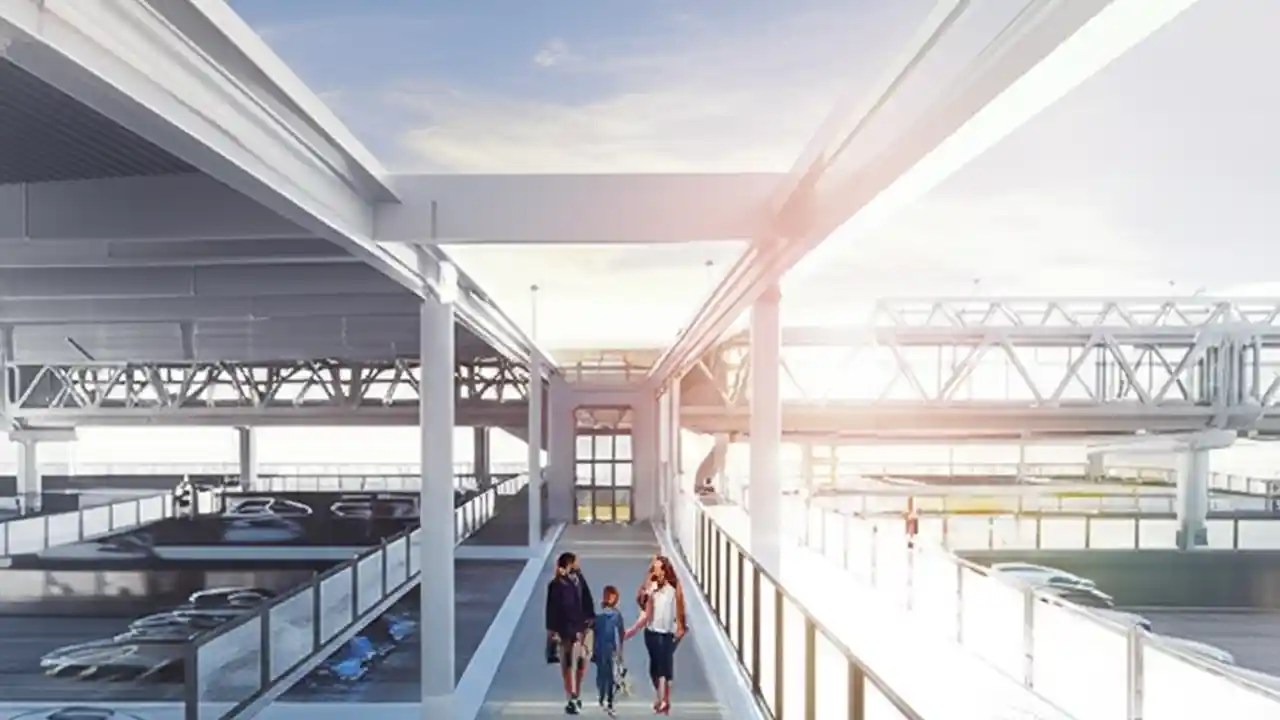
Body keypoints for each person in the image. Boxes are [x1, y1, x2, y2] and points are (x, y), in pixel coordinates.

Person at [624, 555, 686, 715]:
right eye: (654, 568)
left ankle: (663, 700)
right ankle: (662, 696)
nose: (657, 572)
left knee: (663, 666)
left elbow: (680, 609)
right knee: (654, 668)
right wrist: (646, 591)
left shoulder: (673, 589)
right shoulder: (650, 587)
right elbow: (643, 608)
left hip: (667, 633)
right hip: (651, 632)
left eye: (659, 568)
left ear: (665, 571)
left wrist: (680, 628)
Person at [546, 551, 595, 715]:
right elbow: (551, 610)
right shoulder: (556, 585)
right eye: (575, 562)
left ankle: (575, 694)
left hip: (580, 628)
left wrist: (590, 621)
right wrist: (552, 632)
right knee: (569, 664)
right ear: (569, 564)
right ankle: (572, 697)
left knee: (580, 663)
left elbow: (587, 599)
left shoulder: (579, 580)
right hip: (565, 630)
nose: (578, 565)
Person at [592, 585, 626, 717]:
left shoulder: (617, 615)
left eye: (612, 597)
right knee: (601, 674)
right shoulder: (599, 614)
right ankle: (602, 694)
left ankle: (610, 699)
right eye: (608, 596)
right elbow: (593, 631)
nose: (610, 599)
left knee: (611, 675)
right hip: (599, 648)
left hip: (611, 648)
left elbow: (620, 634)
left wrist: (620, 651)